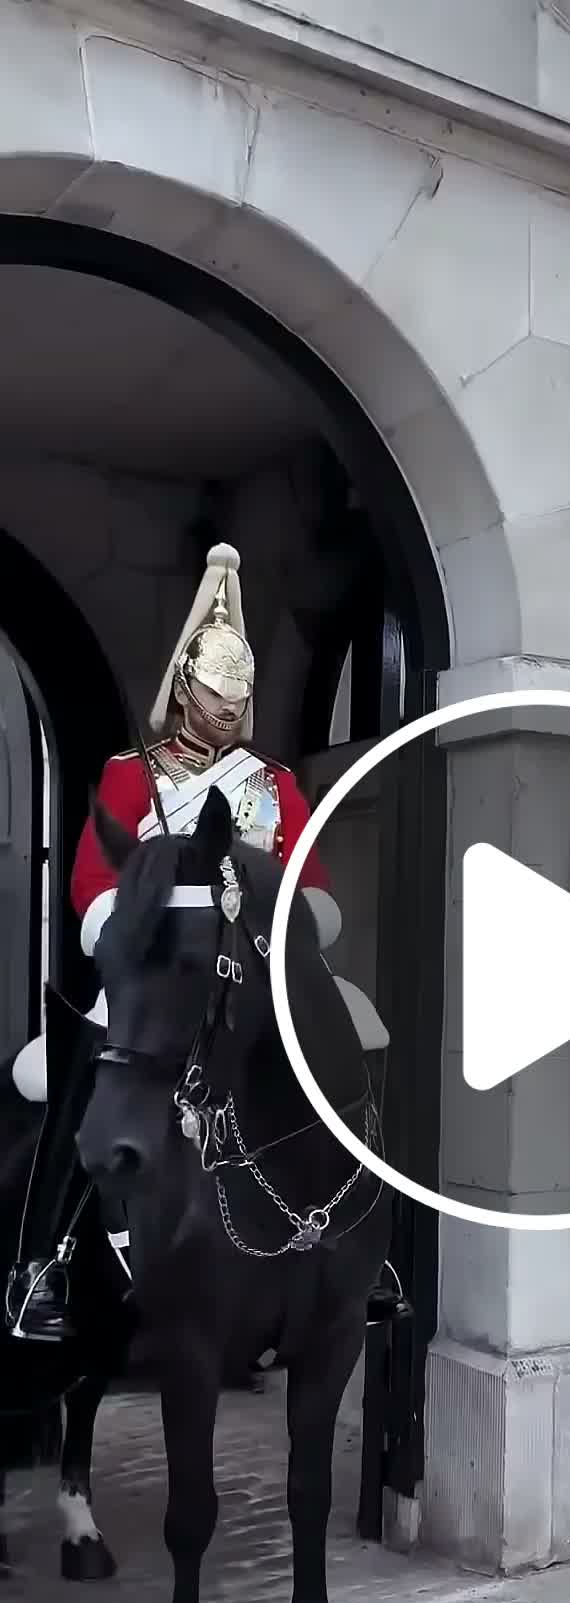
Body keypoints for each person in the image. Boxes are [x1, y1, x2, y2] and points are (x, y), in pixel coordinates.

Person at [5, 542, 386, 1344]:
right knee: (72, 1068)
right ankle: (46, 1261)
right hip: (153, 959)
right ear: (186, 688)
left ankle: (367, 1249)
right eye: (215, 698)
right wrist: (133, 921)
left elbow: (313, 881)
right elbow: (89, 885)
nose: (226, 715)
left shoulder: (273, 784)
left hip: (249, 955)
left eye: (236, 701)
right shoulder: (127, 775)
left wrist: (287, 918)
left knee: (361, 1035)